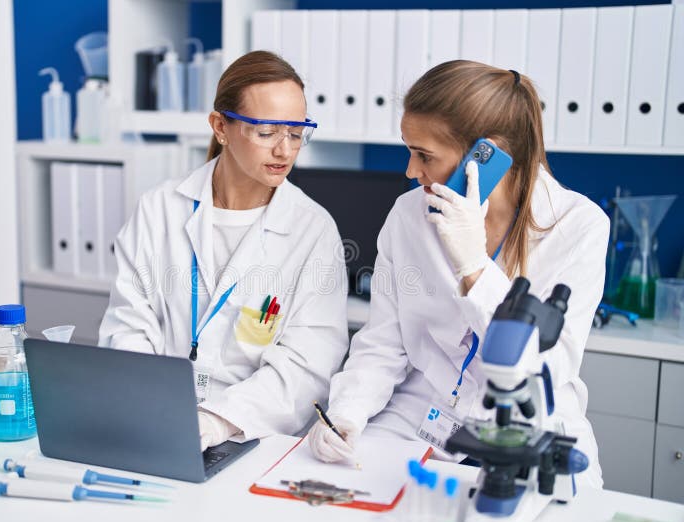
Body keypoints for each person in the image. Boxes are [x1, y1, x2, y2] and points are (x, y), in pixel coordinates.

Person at [306, 60, 608, 489]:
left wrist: (474, 268)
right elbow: (383, 343)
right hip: (422, 414)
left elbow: (541, 367)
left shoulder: (578, 226)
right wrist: (347, 413)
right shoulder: (408, 216)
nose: (411, 172)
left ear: (486, 157)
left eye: (424, 155)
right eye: (409, 151)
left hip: (526, 421)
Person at [99, 51, 349, 451]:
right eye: (267, 132)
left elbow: (306, 367)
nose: (285, 151)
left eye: (297, 132)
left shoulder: (312, 230)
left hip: (251, 433)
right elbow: (129, 324)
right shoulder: (159, 208)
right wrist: (150, 404)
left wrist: (217, 421)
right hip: (154, 422)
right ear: (220, 127)